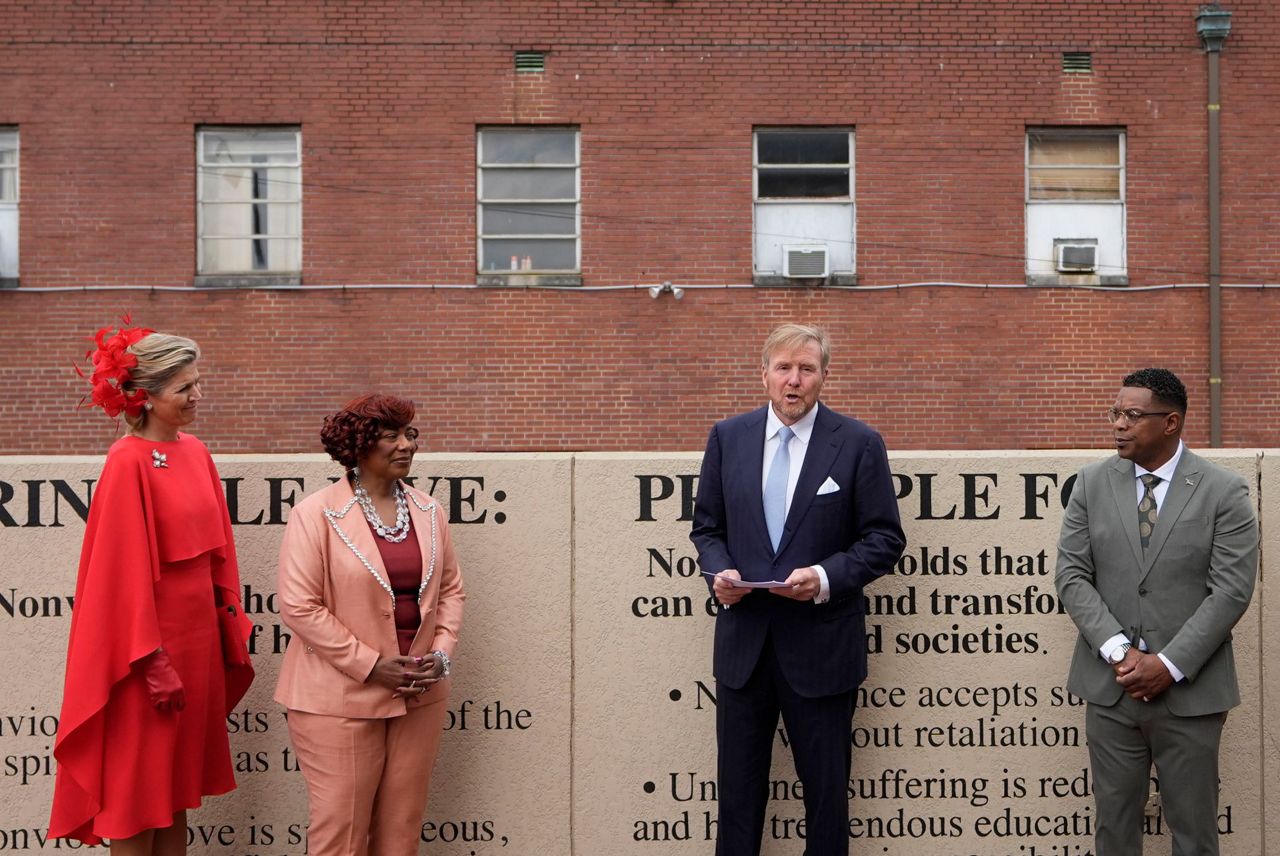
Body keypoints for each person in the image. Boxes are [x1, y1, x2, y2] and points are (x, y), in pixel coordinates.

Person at [690, 323, 906, 856]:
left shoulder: (858, 443)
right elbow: (707, 530)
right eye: (783, 368)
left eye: (806, 369)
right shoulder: (727, 437)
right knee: (737, 802)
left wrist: (824, 577)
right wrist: (719, 573)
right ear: (763, 374)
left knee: (826, 802)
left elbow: (884, 539)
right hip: (744, 651)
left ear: (824, 377)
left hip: (822, 650)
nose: (794, 381)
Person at [50, 319, 255, 854]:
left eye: (197, 382)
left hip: (196, 647)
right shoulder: (126, 462)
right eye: (185, 387)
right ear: (145, 396)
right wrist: (151, 659)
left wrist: (227, 630)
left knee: (175, 796)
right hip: (146, 656)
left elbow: (218, 557)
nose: (197, 395)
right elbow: (119, 577)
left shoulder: (197, 452)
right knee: (136, 800)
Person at [1055, 367, 1258, 856]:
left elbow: (1230, 591)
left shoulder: (1223, 492)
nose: (1119, 425)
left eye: (1132, 415)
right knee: (1114, 831)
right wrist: (1121, 654)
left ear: (1170, 423)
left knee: (1194, 835)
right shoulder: (1090, 484)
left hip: (1190, 695)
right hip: (1112, 691)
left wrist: (1166, 665)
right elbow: (1071, 576)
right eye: (1116, 413)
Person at [275, 393, 465, 856]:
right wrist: (372, 664)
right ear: (359, 445)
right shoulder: (315, 514)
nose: (407, 445)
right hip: (337, 700)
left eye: (410, 434)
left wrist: (439, 657)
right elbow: (299, 605)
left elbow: (452, 592)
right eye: (391, 436)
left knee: (401, 832)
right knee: (341, 835)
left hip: (418, 695)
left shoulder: (428, 511)